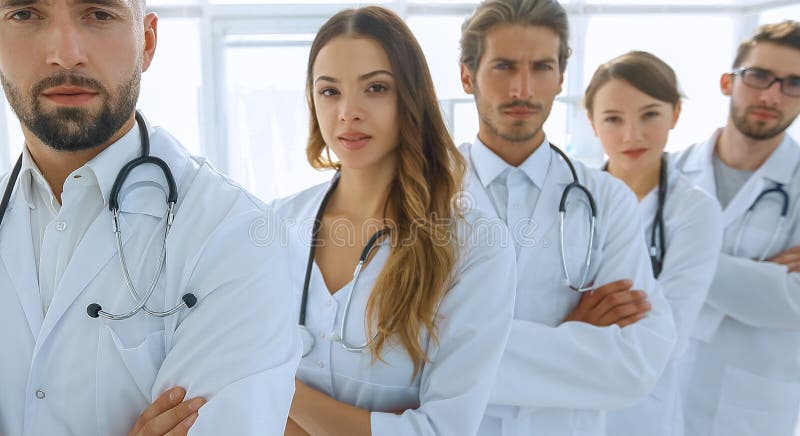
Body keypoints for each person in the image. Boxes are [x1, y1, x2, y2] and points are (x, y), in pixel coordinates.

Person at [0, 0, 300, 435]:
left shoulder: (236, 234)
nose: (65, 54)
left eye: (99, 13)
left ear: (147, 41)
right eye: (26, 14)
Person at [270, 6, 516, 436]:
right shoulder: (275, 224)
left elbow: (443, 429)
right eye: (330, 91)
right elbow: (231, 385)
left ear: (411, 97)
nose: (348, 112)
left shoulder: (474, 245)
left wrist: (282, 391)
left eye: (375, 88)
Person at [458, 1, 677, 435]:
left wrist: (460, 355)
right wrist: (573, 338)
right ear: (468, 76)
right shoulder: (417, 197)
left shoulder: (607, 200)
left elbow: (633, 365)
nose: (523, 89)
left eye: (541, 67)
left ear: (561, 77)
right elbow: (396, 353)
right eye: (503, 66)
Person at [583, 50, 723, 436]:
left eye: (649, 115)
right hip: (563, 409)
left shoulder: (694, 210)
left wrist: (577, 326)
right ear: (592, 122)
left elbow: (666, 340)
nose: (632, 135)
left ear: (675, 113)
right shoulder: (569, 200)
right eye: (613, 119)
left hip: (642, 412)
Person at [672, 20, 800, 436]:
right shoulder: (668, 173)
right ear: (728, 82)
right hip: (658, 386)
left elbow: (794, 303)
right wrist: (760, 281)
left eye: (793, 83)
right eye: (759, 76)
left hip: (751, 408)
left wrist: (674, 256)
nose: (771, 96)